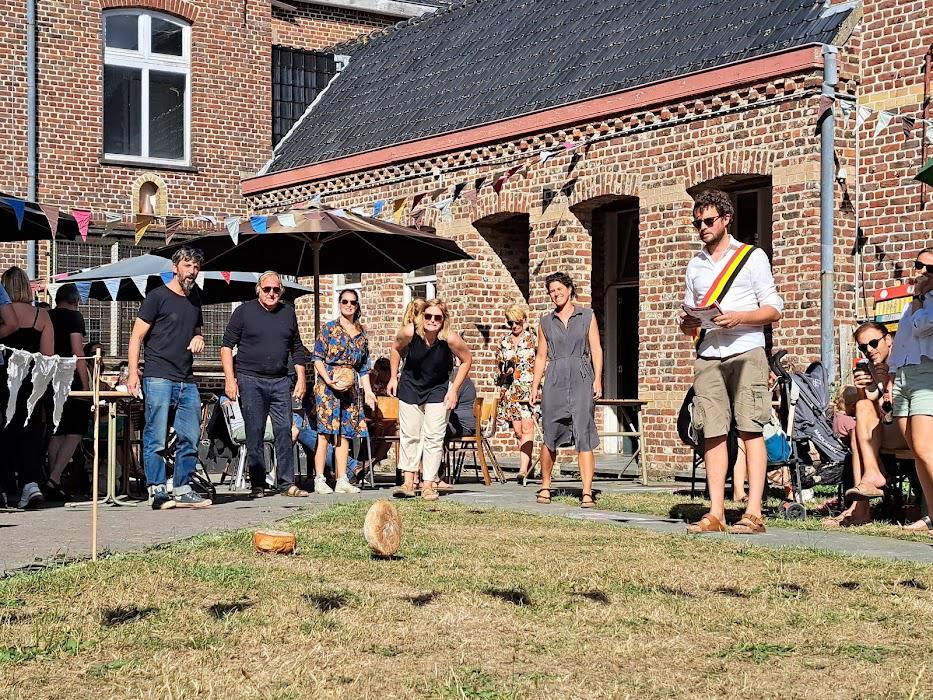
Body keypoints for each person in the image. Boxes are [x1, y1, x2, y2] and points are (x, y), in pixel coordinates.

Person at [679, 189, 784, 534]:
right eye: (698, 223)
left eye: (709, 221)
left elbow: (774, 309)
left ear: (726, 220)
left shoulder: (752, 257)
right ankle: (716, 513)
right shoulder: (695, 264)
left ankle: (753, 512)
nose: (703, 228)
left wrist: (739, 317)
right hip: (708, 354)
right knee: (711, 432)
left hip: (746, 351)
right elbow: (688, 318)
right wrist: (689, 323)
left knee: (750, 428)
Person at [127, 247, 211, 510]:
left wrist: (199, 338)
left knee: (190, 435)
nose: (192, 271)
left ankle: (183, 488)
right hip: (158, 376)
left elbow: (198, 331)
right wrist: (132, 374)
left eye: (196, 267)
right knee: (156, 436)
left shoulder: (195, 297)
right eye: (187, 266)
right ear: (175, 267)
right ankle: (157, 490)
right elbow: (136, 337)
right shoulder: (157, 297)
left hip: (187, 378)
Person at [222, 270, 308, 498]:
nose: (272, 293)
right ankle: (257, 483)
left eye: (276, 289)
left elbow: (297, 348)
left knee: (284, 430)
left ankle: (286, 483)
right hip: (250, 379)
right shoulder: (243, 312)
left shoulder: (288, 313)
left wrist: (301, 378)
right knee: (255, 431)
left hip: (280, 380)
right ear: (258, 290)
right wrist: (230, 379)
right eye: (267, 289)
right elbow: (226, 346)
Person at [530, 272, 603, 508]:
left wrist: (598, 379)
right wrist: (534, 386)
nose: (556, 294)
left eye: (559, 289)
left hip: (581, 374)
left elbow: (596, 349)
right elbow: (541, 356)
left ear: (570, 289)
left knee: (584, 431)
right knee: (550, 432)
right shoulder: (545, 322)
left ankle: (587, 491)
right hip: (555, 377)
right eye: (551, 291)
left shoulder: (587, 316)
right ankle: (545, 485)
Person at [824, 322, 907, 527]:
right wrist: (862, 389)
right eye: (863, 347)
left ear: (888, 340)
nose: (869, 350)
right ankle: (870, 479)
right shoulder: (872, 365)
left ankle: (859, 507)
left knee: (857, 435)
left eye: (873, 343)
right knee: (861, 408)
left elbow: (896, 409)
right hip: (888, 428)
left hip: (909, 429)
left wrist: (887, 381)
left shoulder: (903, 360)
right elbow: (872, 410)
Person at [389, 299, 472, 501]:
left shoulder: (450, 339)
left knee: (434, 436)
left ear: (443, 320)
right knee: (410, 434)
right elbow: (395, 348)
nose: (432, 320)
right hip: (410, 386)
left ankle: (428, 483)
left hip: (438, 388)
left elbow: (467, 360)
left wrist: (454, 390)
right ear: (421, 317)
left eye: (437, 317)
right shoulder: (410, 332)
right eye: (428, 316)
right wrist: (393, 377)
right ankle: (408, 482)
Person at [312, 288, 376, 495]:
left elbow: (364, 367)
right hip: (328, 386)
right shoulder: (329, 329)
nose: (349, 305)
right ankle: (320, 478)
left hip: (350, 389)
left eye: (353, 302)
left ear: (357, 306)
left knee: (345, 435)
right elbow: (317, 358)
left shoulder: (361, 334)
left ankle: (342, 479)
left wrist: (368, 391)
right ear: (339, 304)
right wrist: (329, 380)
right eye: (345, 301)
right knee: (325, 434)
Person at [0, 267, 54, 509]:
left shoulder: (3, 316)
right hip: (31, 381)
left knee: (5, 432)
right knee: (30, 431)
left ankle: (7, 487)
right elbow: (48, 356)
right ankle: (30, 484)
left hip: (4, 377)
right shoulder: (41, 316)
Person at [888, 248, 933, 534]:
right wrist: (892, 374)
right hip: (904, 375)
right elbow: (901, 339)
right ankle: (931, 514)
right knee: (916, 451)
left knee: (925, 448)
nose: (923, 272)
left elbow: (920, 328)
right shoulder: (912, 302)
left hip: (926, 373)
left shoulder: (923, 302)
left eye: (931, 268)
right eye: (920, 265)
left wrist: (918, 297)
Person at [44, 284, 91, 500]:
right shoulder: (75, 317)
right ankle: (54, 478)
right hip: (68, 378)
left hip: (47, 378)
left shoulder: (46, 315)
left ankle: (54, 482)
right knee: (75, 431)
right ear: (76, 301)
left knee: (56, 431)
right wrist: (85, 385)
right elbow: (77, 351)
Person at [495, 304, 539, 485]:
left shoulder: (533, 340)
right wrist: (504, 370)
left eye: (517, 322)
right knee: (519, 432)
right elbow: (498, 367)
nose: (514, 326)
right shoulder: (504, 342)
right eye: (510, 322)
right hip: (511, 391)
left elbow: (543, 362)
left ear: (524, 320)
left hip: (529, 390)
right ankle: (528, 465)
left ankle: (523, 470)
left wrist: (539, 384)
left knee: (528, 429)